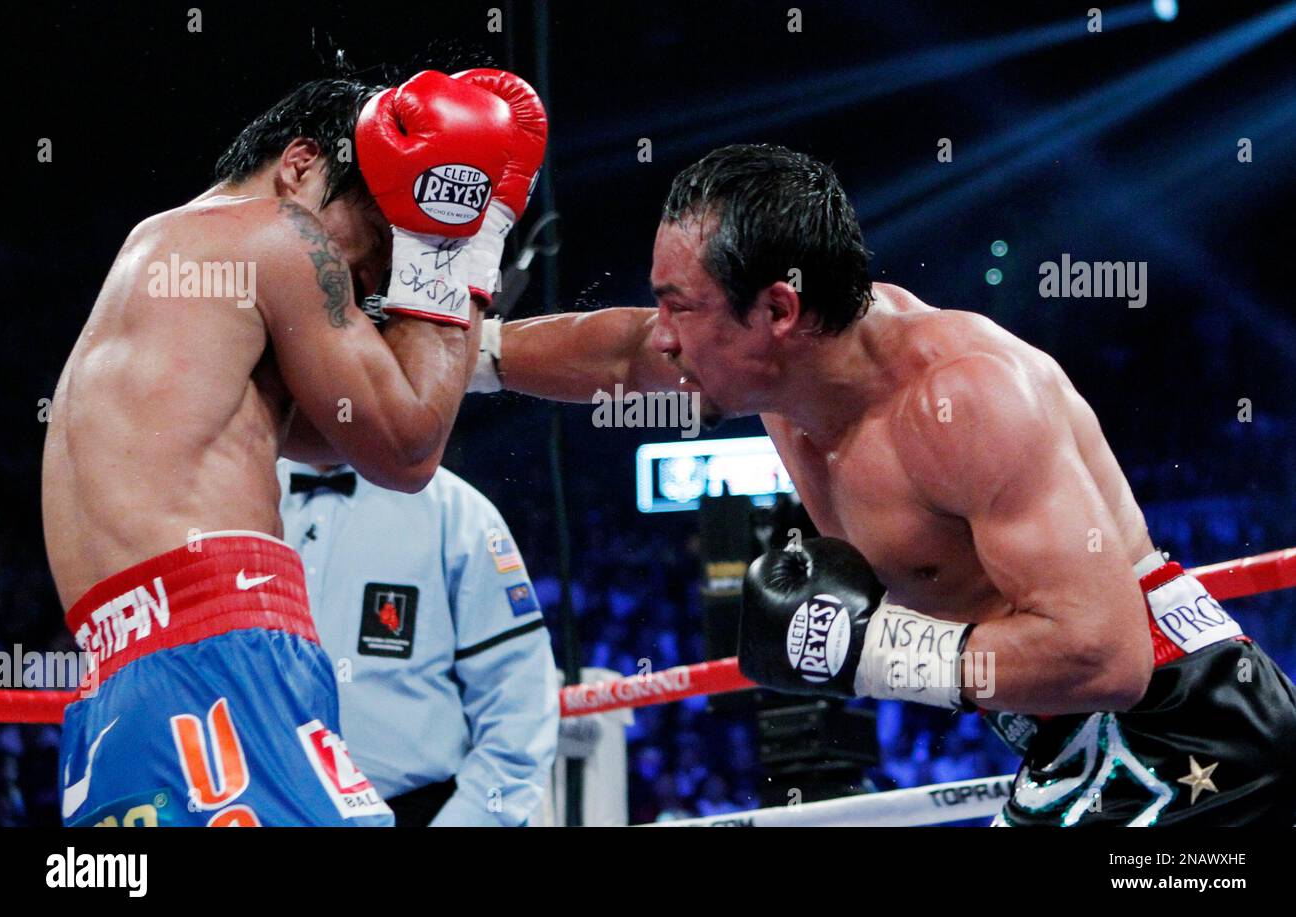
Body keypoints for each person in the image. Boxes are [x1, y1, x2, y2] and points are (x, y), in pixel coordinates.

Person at [465, 143, 1296, 825]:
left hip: (1194, 736)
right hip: (1068, 741)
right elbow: (617, 351)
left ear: (778, 311)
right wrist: (460, 356)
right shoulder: (766, 368)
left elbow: (1106, 657)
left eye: (681, 308)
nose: (666, 338)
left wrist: (865, 652)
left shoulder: (965, 399)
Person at [41, 69, 546, 826]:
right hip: (222, 664)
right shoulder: (279, 232)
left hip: (121, 698)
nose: (370, 283)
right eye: (378, 239)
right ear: (302, 166)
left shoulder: (164, 261)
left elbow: (347, 434)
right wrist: (457, 239)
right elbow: (408, 448)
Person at [278, 460, 558, 826]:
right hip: (260, 808)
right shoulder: (236, 501)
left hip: (419, 811)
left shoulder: (459, 515)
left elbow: (520, 703)